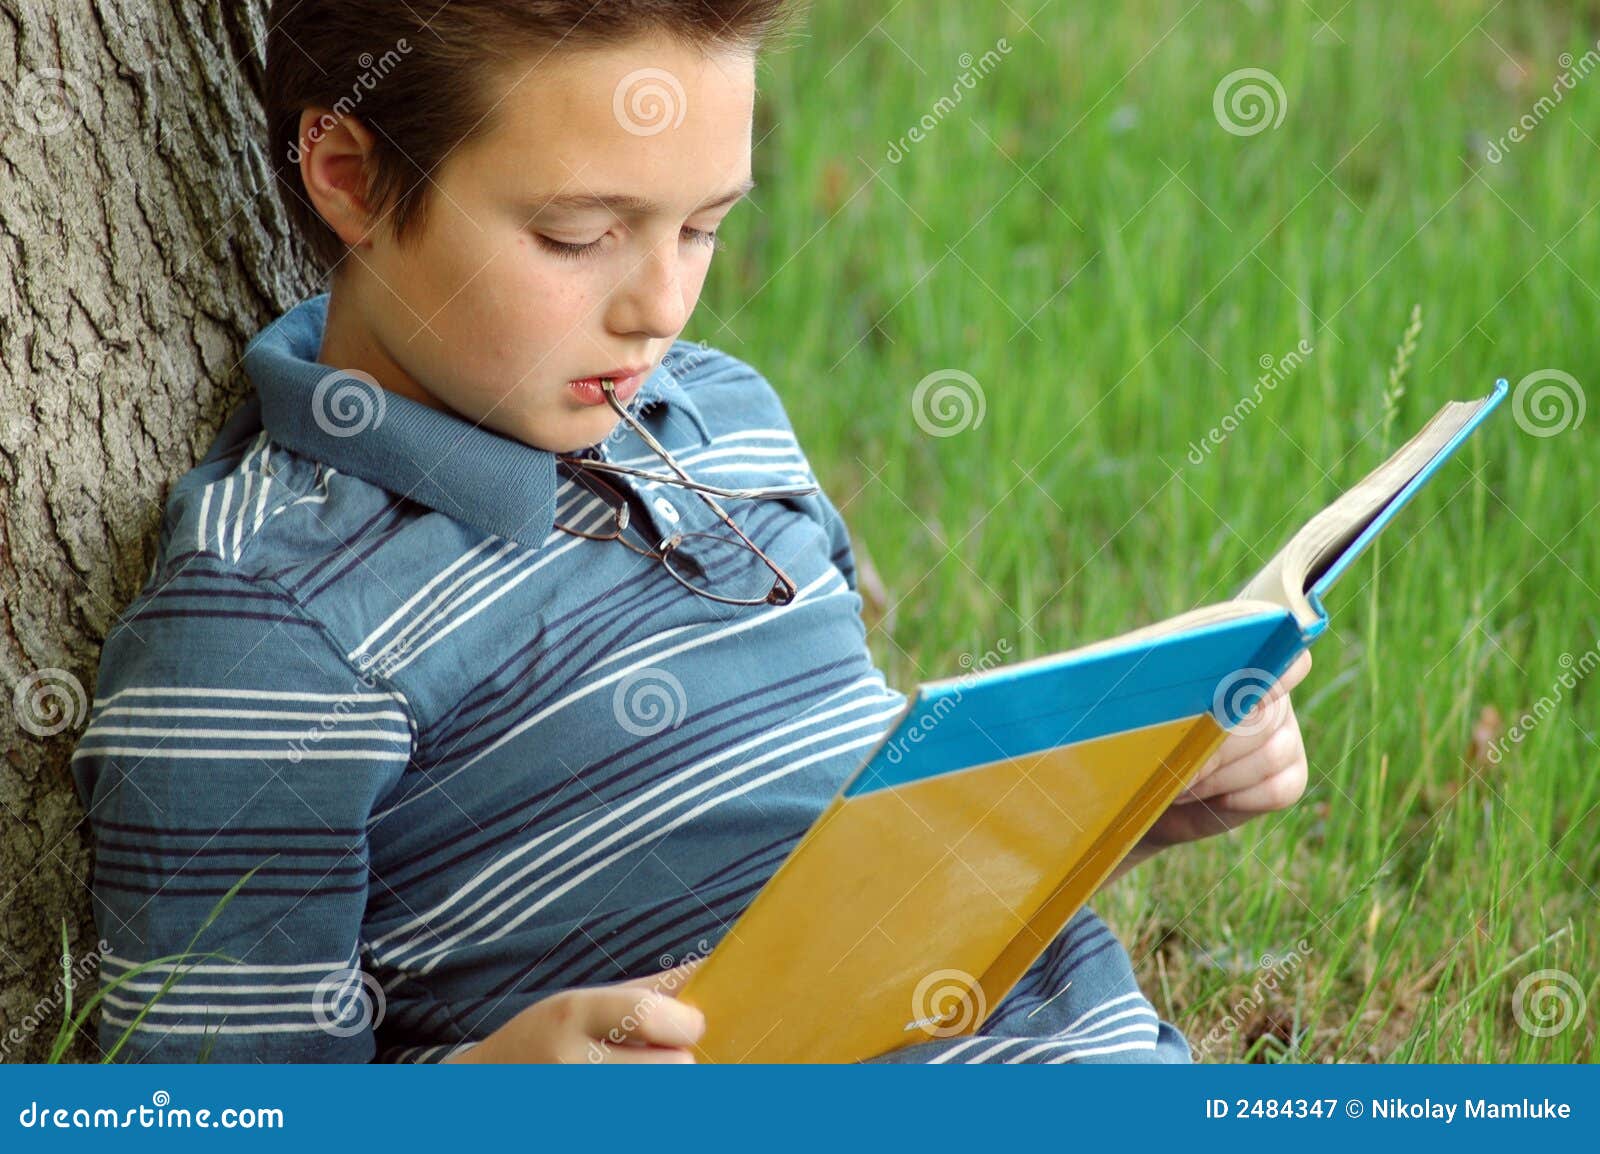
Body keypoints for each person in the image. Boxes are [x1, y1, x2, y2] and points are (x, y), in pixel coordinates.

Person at [69, 0, 1310, 1064]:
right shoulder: (264, 633)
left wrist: (1128, 794)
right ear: (344, 171)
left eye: (704, 226)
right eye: (576, 235)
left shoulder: (724, 413)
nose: (658, 304)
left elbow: (843, 850)